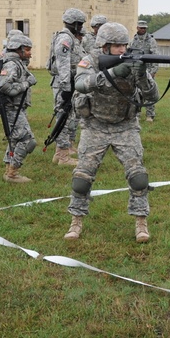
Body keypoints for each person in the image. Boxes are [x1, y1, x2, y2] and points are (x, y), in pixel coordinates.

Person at [64, 22, 158, 242]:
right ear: (104, 46)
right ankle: (75, 222)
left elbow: (152, 96)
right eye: (117, 46)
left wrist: (142, 75)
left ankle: (141, 223)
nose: (122, 50)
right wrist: (114, 73)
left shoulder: (134, 62)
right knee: (82, 179)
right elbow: (80, 84)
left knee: (138, 178)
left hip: (125, 126)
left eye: (124, 45)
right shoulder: (91, 61)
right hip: (95, 125)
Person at [0, 31, 37, 183]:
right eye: (28, 49)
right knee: (27, 140)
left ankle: (9, 170)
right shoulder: (12, 64)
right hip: (12, 108)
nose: (30, 53)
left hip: (16, 107)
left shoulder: (16, 63)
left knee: (15, 139)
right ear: (19, 49)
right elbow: (4, 86)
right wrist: (27, 83)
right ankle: (13, 173)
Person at [47, 8, 87, 165]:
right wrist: (65, 88)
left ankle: (60, 153)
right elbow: (63, 64)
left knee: (67, 117)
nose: (82, 26)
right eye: (81, 23)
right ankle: (63, 156)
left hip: (70, 82)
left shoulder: (70, 38)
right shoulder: (65, 38)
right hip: (65, 83)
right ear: (75, 24)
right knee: (63, 117)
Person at [131, 20, 159, 122]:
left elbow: (155, 56)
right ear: (137, 28)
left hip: (148, 70)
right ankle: (136, 113)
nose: (143, 30)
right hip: (135, 70)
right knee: (135, 92)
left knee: (148, 92)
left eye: (144, 28)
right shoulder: (133, 40)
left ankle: (150, 115)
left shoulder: (151, 40)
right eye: (141, 28)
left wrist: (153, 71)